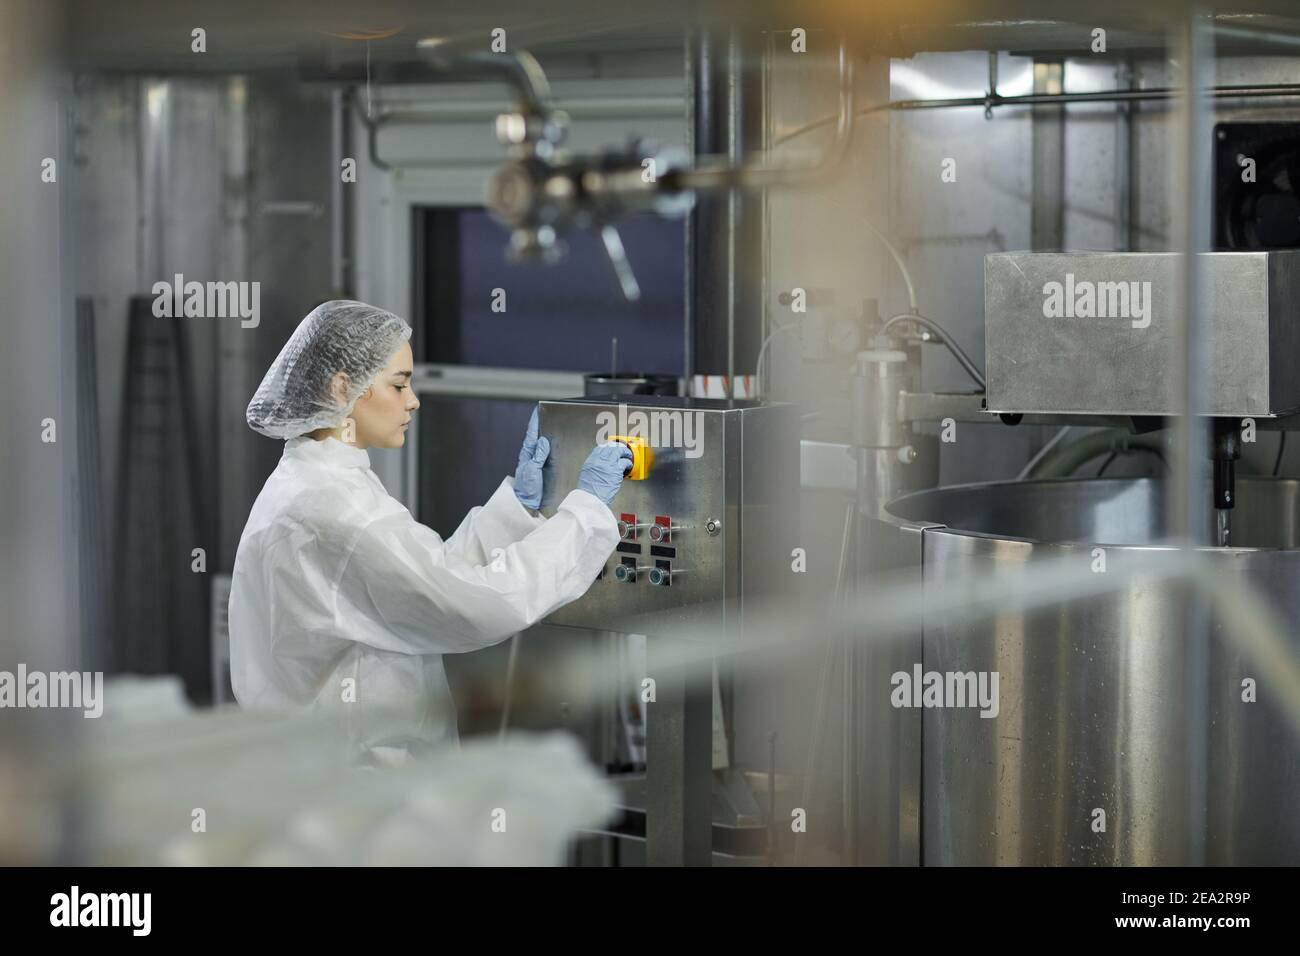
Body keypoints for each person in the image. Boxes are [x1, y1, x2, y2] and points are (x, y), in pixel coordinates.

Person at [228, 300, 632, 765]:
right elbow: (471, 606)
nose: (413, 400)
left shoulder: (310, 482)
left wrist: (515, 510)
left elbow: (418, 581)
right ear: (343, 388)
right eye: (398, 384)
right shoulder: (340, 511)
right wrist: (584, 514)